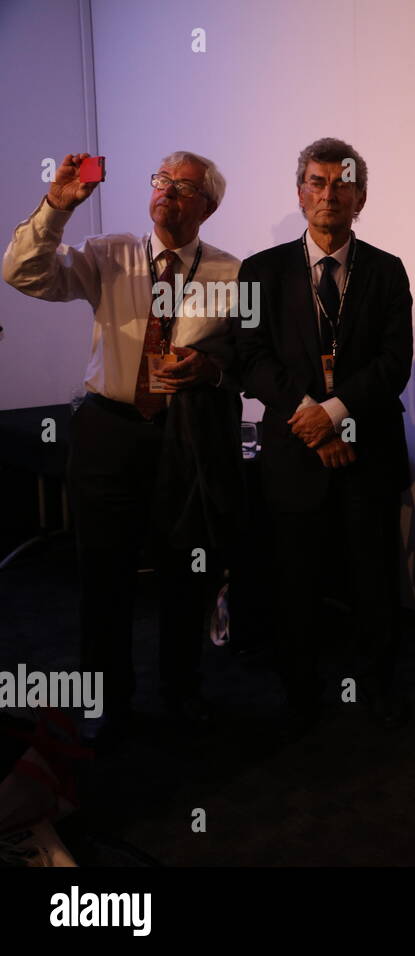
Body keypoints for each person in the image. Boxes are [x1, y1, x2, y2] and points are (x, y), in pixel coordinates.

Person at [3, 151, 243, 743]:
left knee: (187, 573)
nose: (169, 192)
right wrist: (57, 207)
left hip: (184, 434)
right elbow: (23, 273)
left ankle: (182, 692)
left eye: (185, 187)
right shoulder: (110, 255)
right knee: (104, 576)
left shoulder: (232, 274)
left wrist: (211, 368)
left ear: (208, 205)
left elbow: (250, 357)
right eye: (162, 181)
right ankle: (108, 704)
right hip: (108, 432)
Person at [235, 137, 413, 734]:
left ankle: (380, 688)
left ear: (361, 196)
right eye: (317, 181)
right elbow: (251, 360)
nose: (328, 194)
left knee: (374, 579)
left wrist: (335, 411)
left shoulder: (387, 271)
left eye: (342, 184)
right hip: (293, 451)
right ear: (300, 191)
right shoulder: (259, 272)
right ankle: (300, 694)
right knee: (296, 581)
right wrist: (312, 415)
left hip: (368, 451)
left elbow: (395, 364)